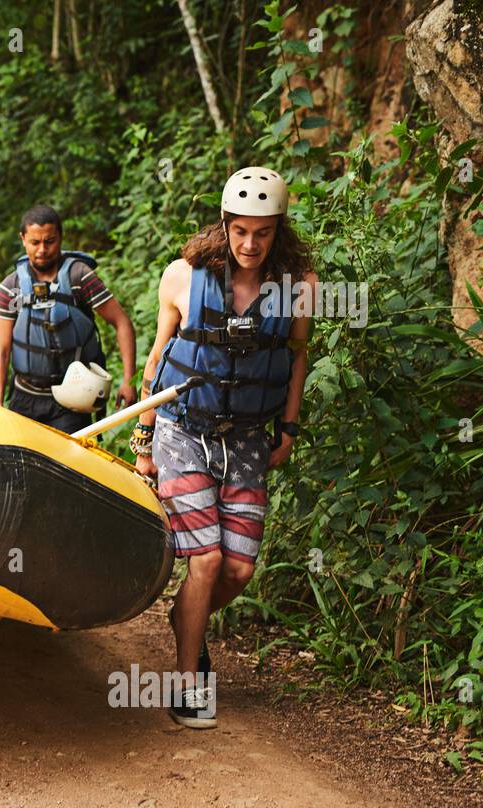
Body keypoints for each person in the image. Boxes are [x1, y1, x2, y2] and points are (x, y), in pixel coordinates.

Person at [131, 166, 315, 730]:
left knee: (237, 571)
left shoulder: (299, 286)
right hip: (183, 431)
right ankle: (188, 681)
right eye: (240, 231)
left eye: (262, 233)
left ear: (277, 229)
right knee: (205, 560)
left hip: (248, 440)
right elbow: (159, 357)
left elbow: (298, 359)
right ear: (226, 224)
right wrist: (143, 440)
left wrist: (288, 429)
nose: (250, 244)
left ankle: (188, 622)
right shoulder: (183, 276)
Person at [0, 204, 138, 432]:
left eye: (49, 241)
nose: (42, 250)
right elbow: (1, 352)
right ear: (22, 239)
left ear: (60, 237)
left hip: (74, 397)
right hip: (24, 398)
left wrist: (128, 380)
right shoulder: (12, 288)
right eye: (34, 242)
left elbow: (121, 322)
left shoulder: (79, 277)